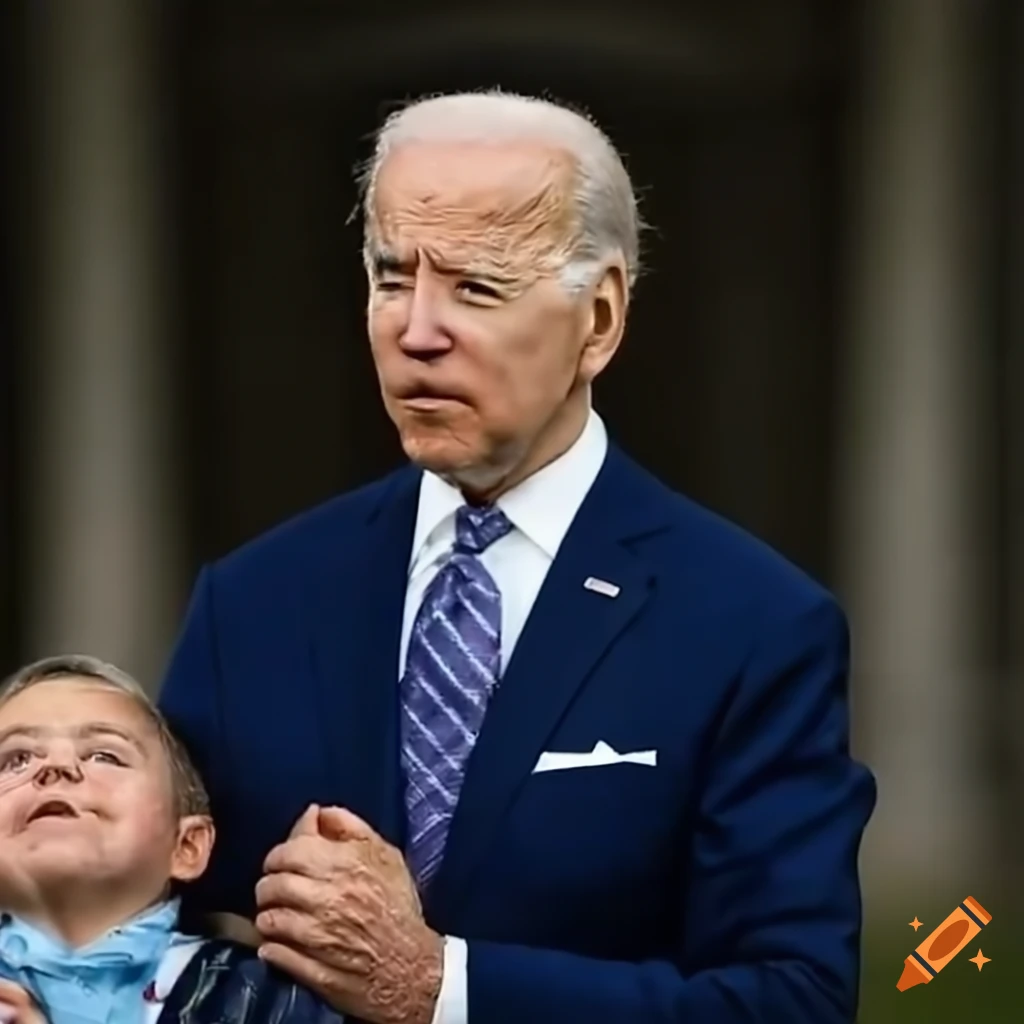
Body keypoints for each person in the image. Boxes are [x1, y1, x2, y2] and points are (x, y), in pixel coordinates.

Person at [158, 89, 877, 1024]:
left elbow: (795, 1000)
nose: (416, 331)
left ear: (601, 319)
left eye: (476, 287)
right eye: (390, 278)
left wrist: (441, 986)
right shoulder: (252, 600)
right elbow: (130, 928)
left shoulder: (753, 625)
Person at [0, 655, 346, 1023]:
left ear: (186, 847)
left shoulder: (263, 999)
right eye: (16, 759)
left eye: (104, 755)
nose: (56, 768)